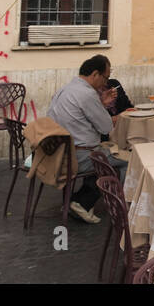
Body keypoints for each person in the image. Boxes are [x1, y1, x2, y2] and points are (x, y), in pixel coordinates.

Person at [47, 55, 126, 224]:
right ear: (95, 74)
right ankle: (123, 210)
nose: (106, 83)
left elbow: (81, 117)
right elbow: (106, 127)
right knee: (128, 160)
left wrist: (101, 104)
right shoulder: (87, 94)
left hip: (57, 151)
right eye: (105, 77)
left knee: (104, 152)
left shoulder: (67, 89)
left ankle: (78, 201)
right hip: (78, 155)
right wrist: (112, 112)